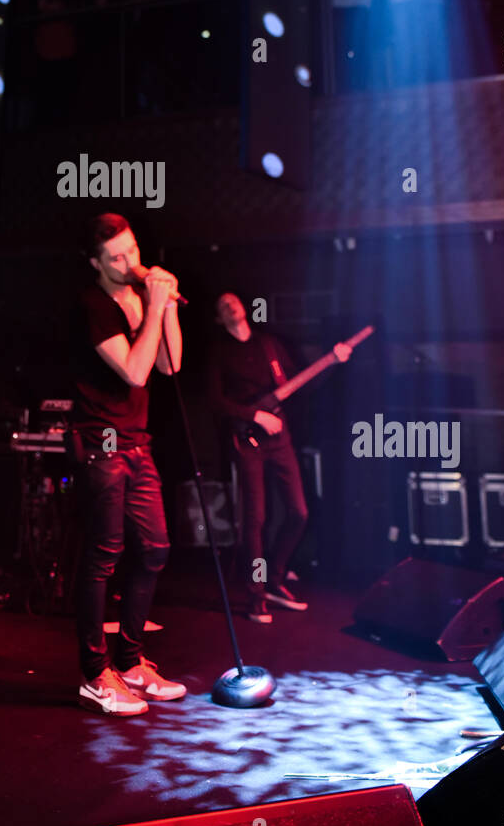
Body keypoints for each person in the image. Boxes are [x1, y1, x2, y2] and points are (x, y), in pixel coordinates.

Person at [71, 213, 186, 715]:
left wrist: (167, 309)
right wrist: (156, 304)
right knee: (103, 555)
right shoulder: (92, 304)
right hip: (100, 441)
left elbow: (170, 365)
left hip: (138, 442)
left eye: (132, 249)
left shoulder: (142, 295)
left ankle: (132, 661)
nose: (129, 263)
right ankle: (95, 674)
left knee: (156, 548)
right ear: (96, 263)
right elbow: (137, 371)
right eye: (115, 257)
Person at [208, 293, 350, 623]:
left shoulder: (268, 345)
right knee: (255, 520)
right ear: (219, 318)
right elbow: (215, 402)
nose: (231, 305)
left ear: (244, 307)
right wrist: (254, 416)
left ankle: (275, 577)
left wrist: (332, 362)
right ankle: (256, 594)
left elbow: (300, 384)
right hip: (248, 441)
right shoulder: (219, 352)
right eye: (223, 305)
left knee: (298, 512)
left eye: (234, 300)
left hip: (280, 439)